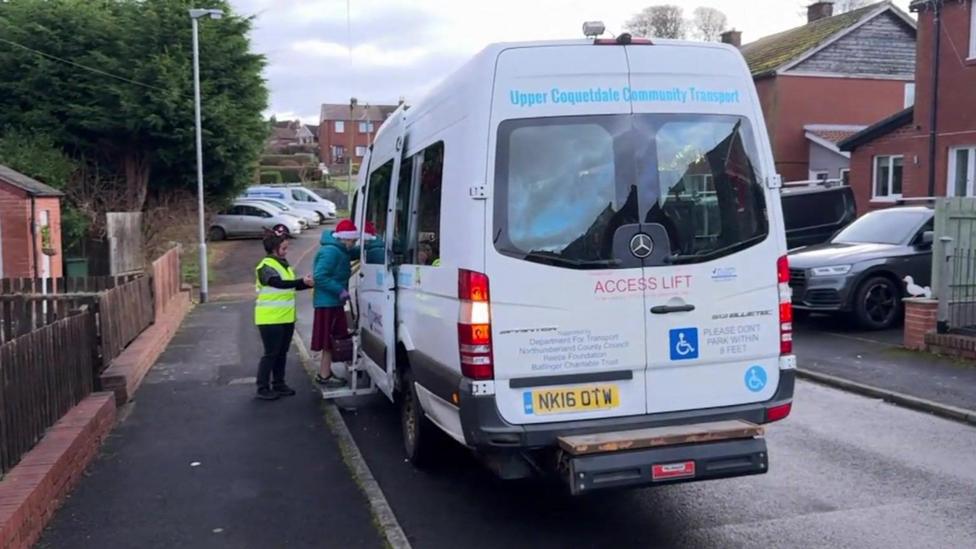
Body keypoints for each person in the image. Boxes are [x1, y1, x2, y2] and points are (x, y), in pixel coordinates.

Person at [254, 233, 314, 400]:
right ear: (274, 249)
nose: (286, 251)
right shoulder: (265, 266)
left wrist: (305, 284)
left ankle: (279, 384)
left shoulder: (283, 265)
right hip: (270, 319)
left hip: (285, 318)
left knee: (281, 353)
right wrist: (300, 281)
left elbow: (289, 287)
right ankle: (262, 388)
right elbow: (277, 283)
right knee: (271, 353)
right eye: (284, 248)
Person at [312, 219, 360, 388]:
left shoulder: (339, 249)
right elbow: (319, 276)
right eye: (352, 241)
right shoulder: (332, 252)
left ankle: (324, 373)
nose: (354, 244)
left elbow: (355, 252)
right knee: (329, 340)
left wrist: (373, 243)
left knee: (330, 340)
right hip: (328, 303)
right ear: (344, 238)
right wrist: (340, 290)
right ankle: (324, 375)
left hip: (331, 302)